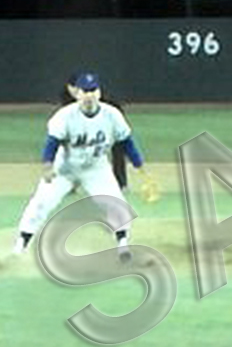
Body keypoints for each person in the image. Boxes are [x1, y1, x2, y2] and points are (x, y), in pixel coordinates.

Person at [13, 70, 145, 261]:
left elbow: (126, 141)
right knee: (41, 202)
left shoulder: (112, 115)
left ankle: (123, 244)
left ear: (99, 92)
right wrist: (48, 166)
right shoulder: (65, 116)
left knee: (115, 202)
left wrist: (138, 164)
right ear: (77, 93)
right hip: (65, 169)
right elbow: (52, 143)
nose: (89, 95)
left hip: (96, 168)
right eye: (85, 90)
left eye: (93, 90)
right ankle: (21, 244)